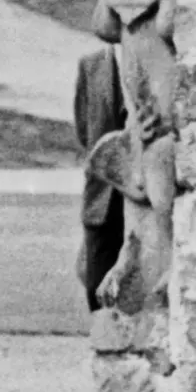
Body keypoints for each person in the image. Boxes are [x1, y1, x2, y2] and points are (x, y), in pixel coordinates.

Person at [74, 43, 126, 312]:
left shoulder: (151, 61)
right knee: (96, 288)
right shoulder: (91, 64)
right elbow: (85, 130)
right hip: (101, 199)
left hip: (141, 195)